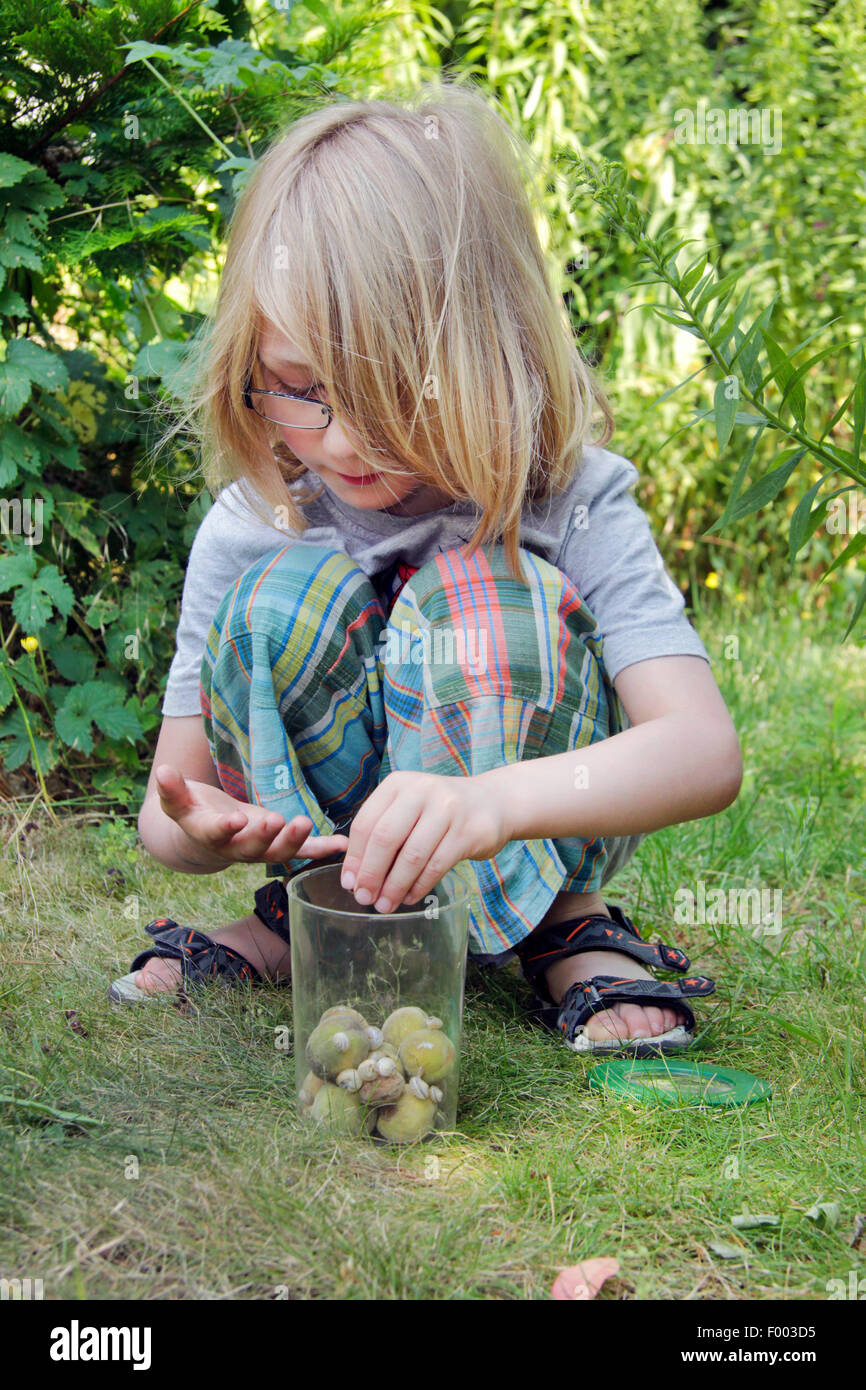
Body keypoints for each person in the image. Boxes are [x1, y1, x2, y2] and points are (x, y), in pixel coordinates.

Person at [109, 80, 742, 1056]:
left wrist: (490, 804)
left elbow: (701, 751)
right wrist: (205, 830)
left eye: (390, 389)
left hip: (518, 834)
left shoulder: (567, 497)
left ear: (489, 349)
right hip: (325, 846)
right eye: (299, 388)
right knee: (272, 601)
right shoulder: (254, 523)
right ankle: (313, 908)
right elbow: (168, 806)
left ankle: (553, 922)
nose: (345, 439)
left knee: (482, 596)